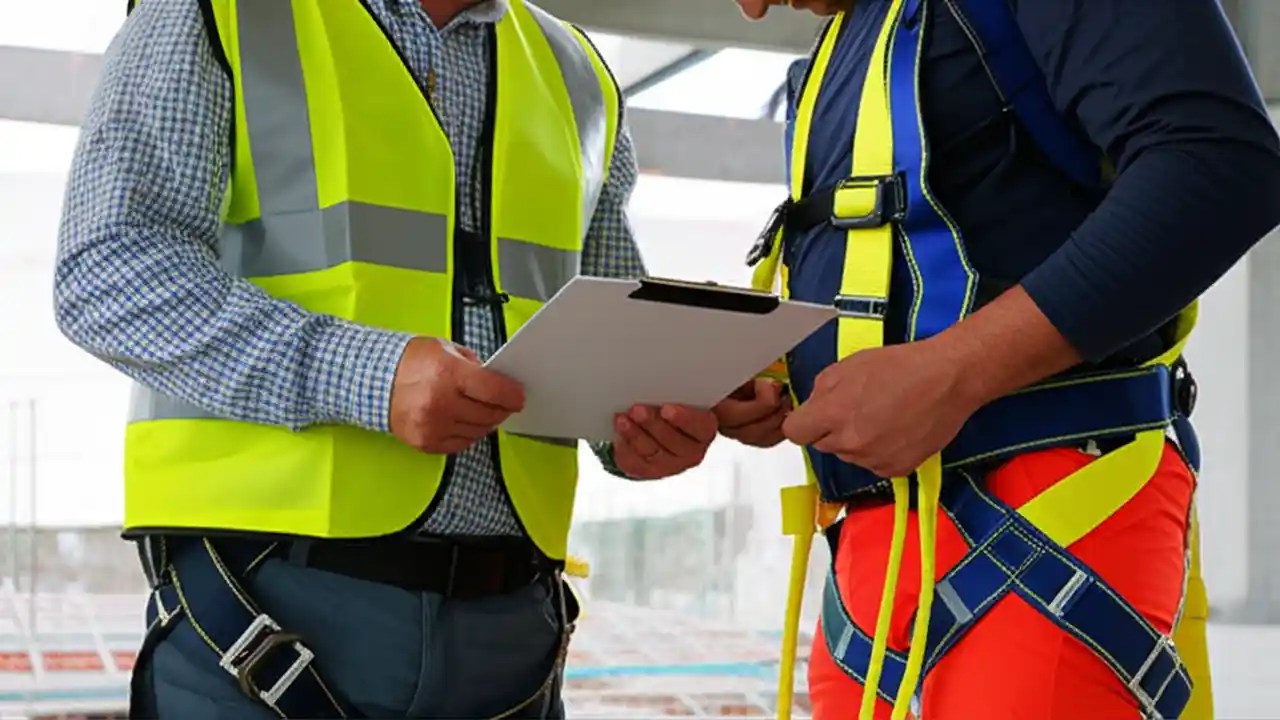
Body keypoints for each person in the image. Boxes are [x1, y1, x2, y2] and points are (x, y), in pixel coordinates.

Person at [52, 0, 719, 717]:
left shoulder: (578, 70)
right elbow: (106, 271)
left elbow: (598, 316)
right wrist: (367, 376)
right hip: (265, 611)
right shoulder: (219, 13)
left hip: (511, 634)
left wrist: (656, 412)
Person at [714, 0, 1280, 718]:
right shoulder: (857, 43)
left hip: (1056, 522)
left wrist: (953, 372)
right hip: (870, 562)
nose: (753, 8)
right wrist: (784, 375)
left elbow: (1216, 163)